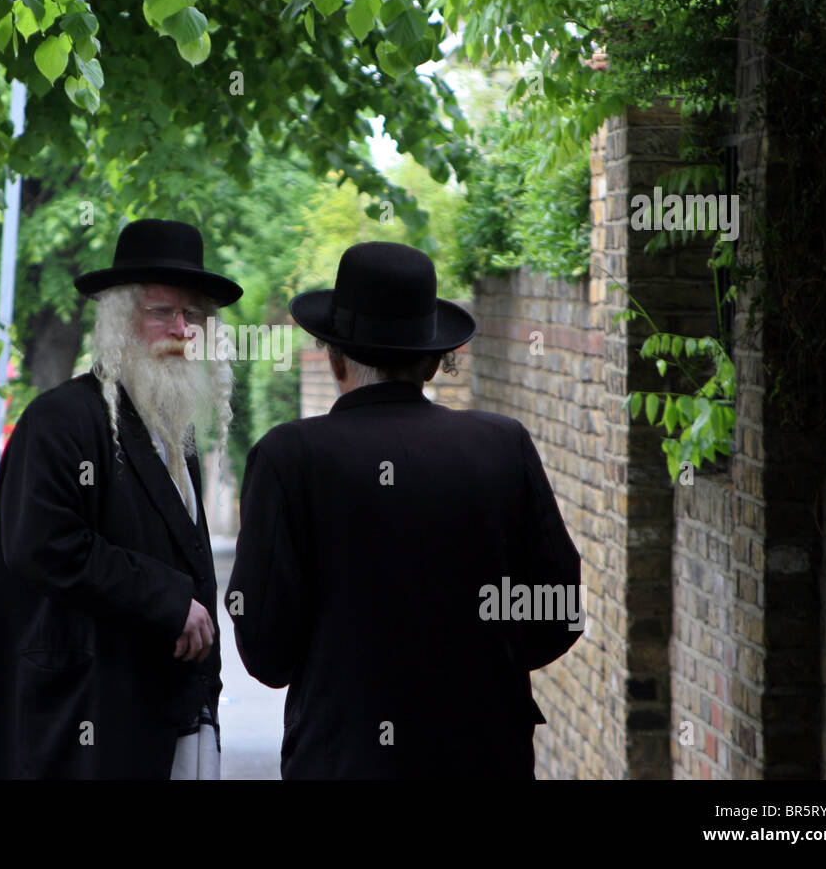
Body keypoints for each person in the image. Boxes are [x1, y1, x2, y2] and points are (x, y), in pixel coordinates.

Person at [227, 241, 584, 778]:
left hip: (342, 757)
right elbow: (557, 608)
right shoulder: (502, 444)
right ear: (435, 362)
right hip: (486, 756)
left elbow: (265, 648)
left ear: (334, 356)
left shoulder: (289, 456)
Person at [0, 218, 239, 779]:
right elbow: (44, 545)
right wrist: (166, 599)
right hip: (86, 723)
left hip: (167, 713)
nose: (181, 328)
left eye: (193, 316)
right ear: (120, 322)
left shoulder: (176, 435)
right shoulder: (61, 420)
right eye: (162, 312)